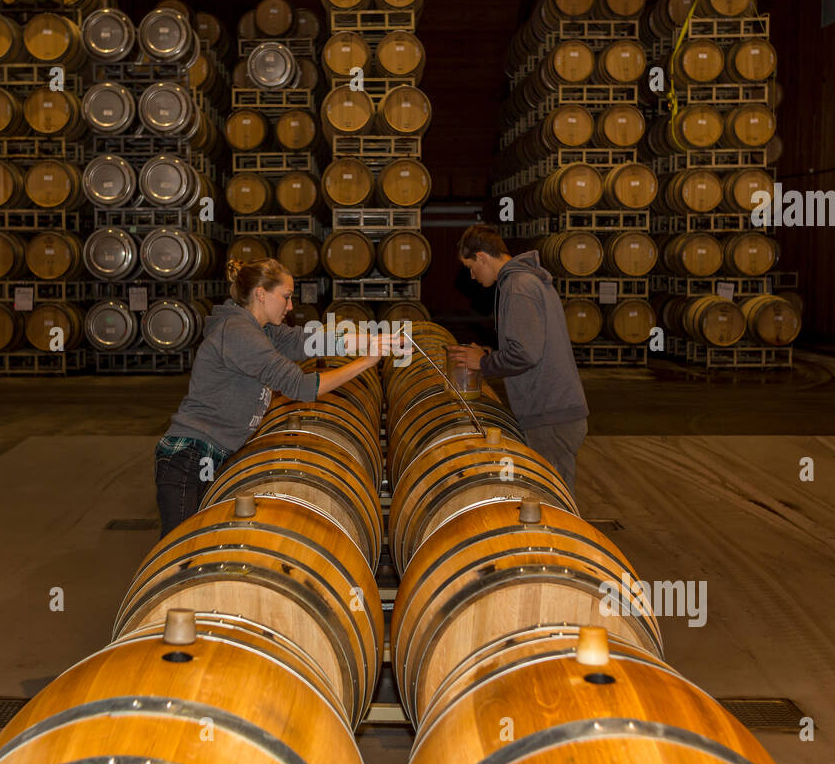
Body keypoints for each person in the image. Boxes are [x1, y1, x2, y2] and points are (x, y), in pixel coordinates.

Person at [154, 257, 403, 536]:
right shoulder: (238, 333)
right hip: (191, 454)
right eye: (285, 297)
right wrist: (365, 363)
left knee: (201, 539)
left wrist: (371, 339)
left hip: (214, 453)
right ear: (261, 294)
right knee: (179, 546)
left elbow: (308, 341)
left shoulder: (263, 331)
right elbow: (301, 386)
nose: (290, 306)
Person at [446, 223, 589, 499]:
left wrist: (483, 364)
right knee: (550, 495)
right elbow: (531, 344)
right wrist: (487, 354)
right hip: (553, 411)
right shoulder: (525, 281)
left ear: (482, 257)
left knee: (551, 502)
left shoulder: (518, 286)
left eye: (470, 267)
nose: (472, 276)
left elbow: (525, 353)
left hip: (549, 414)